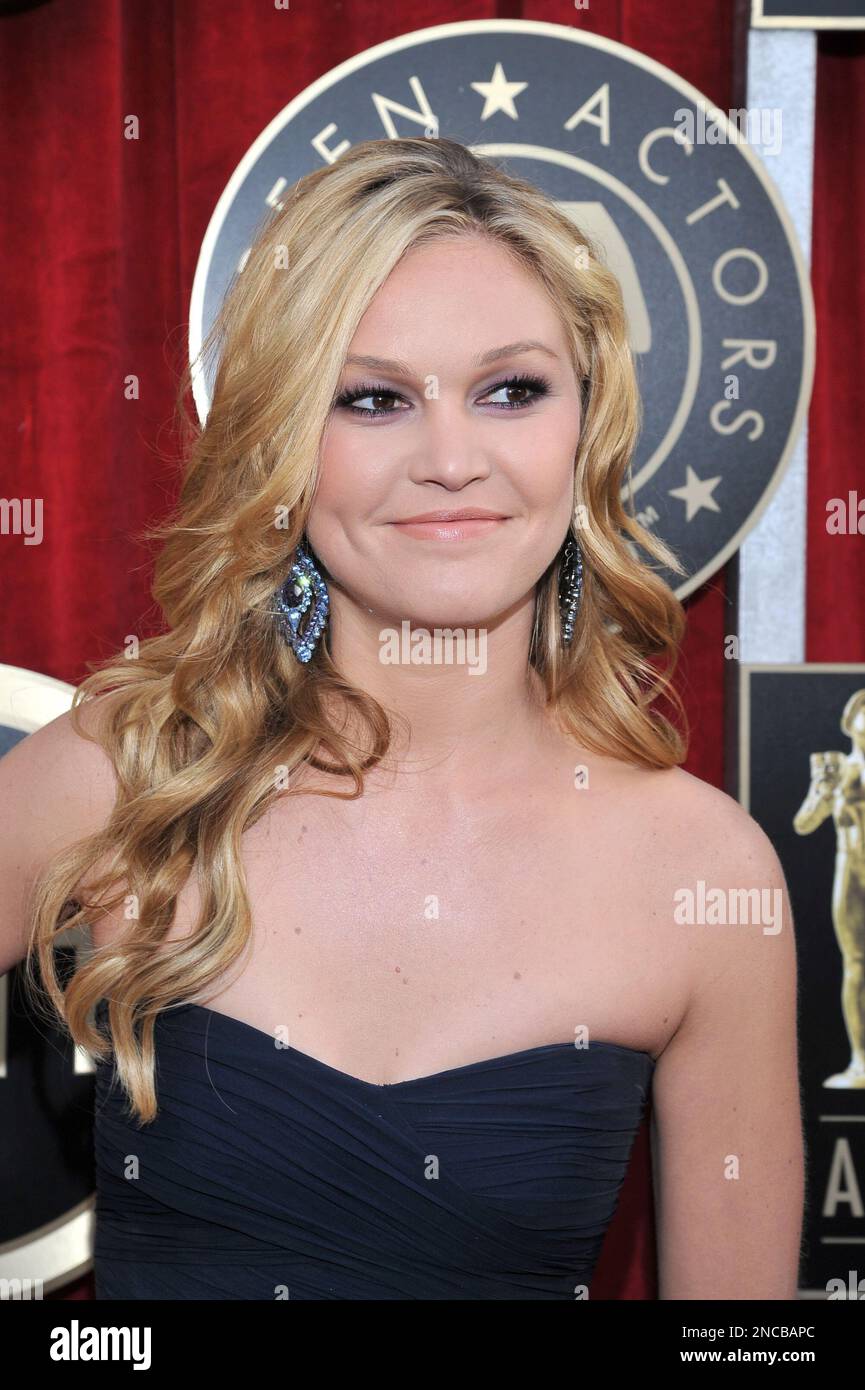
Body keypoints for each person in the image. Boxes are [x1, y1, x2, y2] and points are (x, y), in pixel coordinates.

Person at [0, 136, 804, 1300]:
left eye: (510, 391)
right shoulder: (133, 770)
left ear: (585, 430)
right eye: (373, 399)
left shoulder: (702, 874)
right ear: (285, 445)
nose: (450, 458)